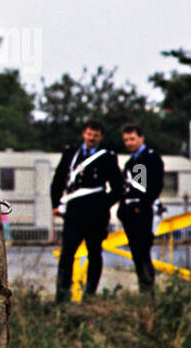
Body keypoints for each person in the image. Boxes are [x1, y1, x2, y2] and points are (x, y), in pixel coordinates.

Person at [51, 119, 123, 301]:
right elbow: (59, 179)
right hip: (74, 210)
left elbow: (118, 187)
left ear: (101, 137)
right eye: (89, 134)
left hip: (96, 213)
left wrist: (103, 204)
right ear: (84, 134)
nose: (92, 138)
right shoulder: (71, 153)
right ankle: (62, 295)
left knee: (94, 253)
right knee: (67, 252)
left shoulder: (107, 157)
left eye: (96, 135)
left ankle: (89, 295)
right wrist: (56, 204)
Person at [118, 123, 164, 293]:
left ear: (141, 138)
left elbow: (154, 186)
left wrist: (141, 206)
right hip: (131, 213)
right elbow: (129, 188)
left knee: (143, 253)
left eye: (132, 139)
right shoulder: (131, 162)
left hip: (144, 212)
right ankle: (144, 290)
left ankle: (148, 292)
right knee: (137, 254)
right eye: (126, 140)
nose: (129, 143)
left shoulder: (150, 157)